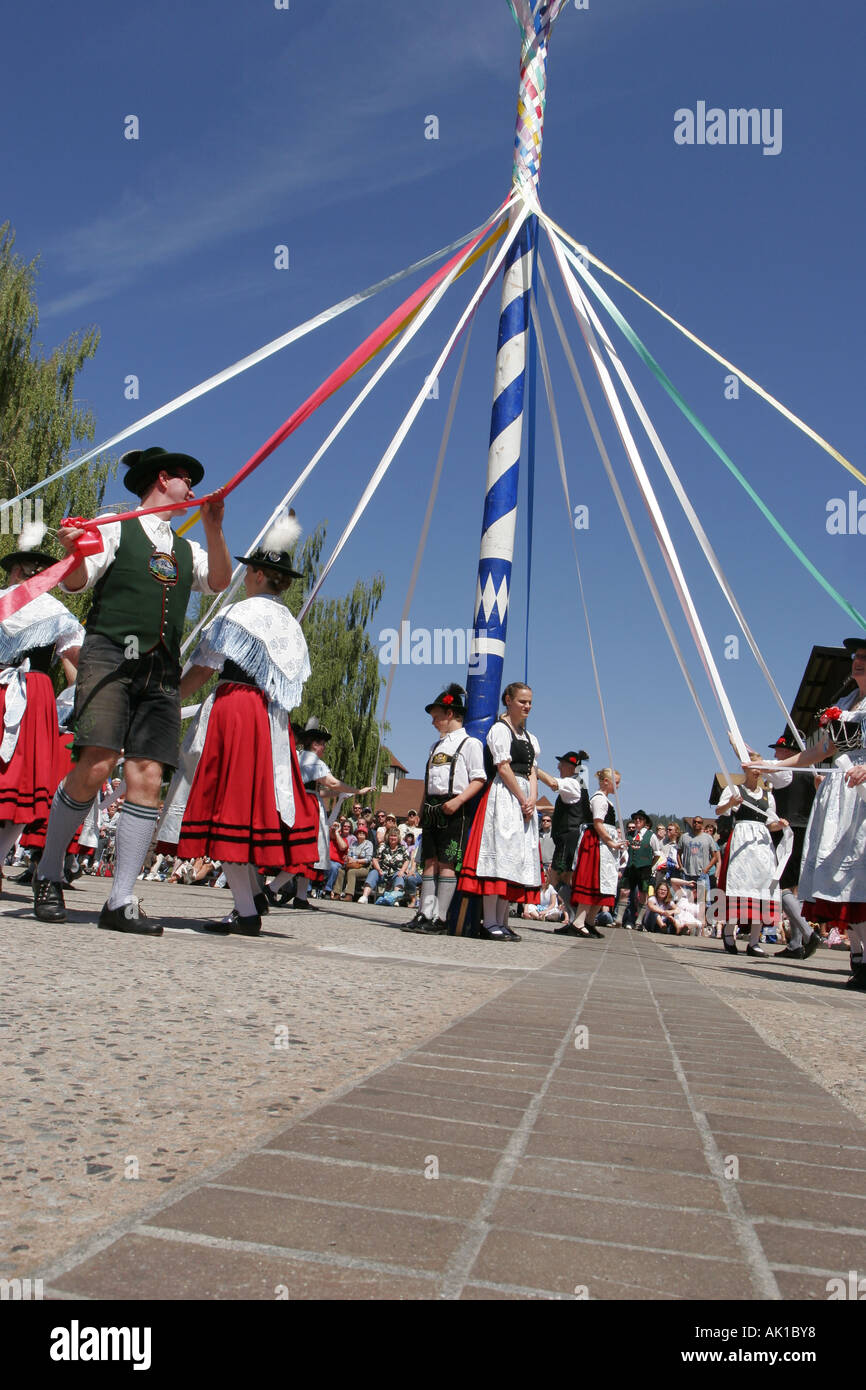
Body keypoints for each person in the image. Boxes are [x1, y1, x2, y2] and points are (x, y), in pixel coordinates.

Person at [32, 446, 232, 935]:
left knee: (147, 776)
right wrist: (73, 549)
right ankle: (48, 869)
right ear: (164, 479)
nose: (193, 488)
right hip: (109, 656)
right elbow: (78, 583)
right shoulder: (116, 525)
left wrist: (213, 524)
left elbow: (222, 580)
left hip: (160, 668)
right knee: (97, 763)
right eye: (188, 479)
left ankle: (120, 899)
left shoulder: (187, 548)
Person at [158, 517, 319, 934]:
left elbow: (204, 667)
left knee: (225, 805)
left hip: (234, 711)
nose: (244, 576)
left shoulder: (239, 613)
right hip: (270, 721)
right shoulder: (291, 626)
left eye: (249, 570)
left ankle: (247, 911)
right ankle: (250, 901)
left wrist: (170, 696)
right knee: (247, 810)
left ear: (260, 574)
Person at [766, 638, 866, 991]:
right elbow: (821, 750)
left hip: (863, 796)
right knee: (836, 879)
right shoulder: (843, 703)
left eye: (865, 658)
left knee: (859, 877)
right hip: (839, 796)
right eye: (856, 657)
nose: (858, 662)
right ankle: (859, 958)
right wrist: (770, 763)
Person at [0, 534, 84, 885]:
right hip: (35, 693)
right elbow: (79, 661)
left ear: (17, 571)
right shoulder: (57, 611)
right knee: (24, 782)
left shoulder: (2, 600)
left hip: (9, 688)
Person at [457, 682, 541, 942]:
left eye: (529, 702)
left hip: (524, 798)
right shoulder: (499, 730)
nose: (527, 706)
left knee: (515, 859)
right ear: (508, 700)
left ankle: (502, 921)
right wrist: (521, 797)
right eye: (522, 701)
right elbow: (503, 767)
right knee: (499, 857)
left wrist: (532, 799)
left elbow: (533, 771)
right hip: (505, 795)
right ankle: (489, 921)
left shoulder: (530, 737)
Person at [405, 683, 485, 935]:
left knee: (447, 862)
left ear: (450, 714)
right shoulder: (435, 746)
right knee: (428, 861)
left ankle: (440, 917)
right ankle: (424, 912)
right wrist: (420, 809)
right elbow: (429, 782)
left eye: (436, 717)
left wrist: (459, 801)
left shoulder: (470, 744)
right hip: (431, 806)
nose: (433, 722)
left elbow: (479, 779)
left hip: (454, 807)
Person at [277, 717, 373, 910]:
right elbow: (332, 782)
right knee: (308, 850)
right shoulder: (312, 760)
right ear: (313, 745)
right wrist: (357, 791)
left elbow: (320, 789)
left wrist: (339, 794)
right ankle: (273, 888)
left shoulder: (298, 757)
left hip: (301, 801)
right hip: (308, 808)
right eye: (321, 744)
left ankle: (301, 896)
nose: (324, 748)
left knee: (311, 851)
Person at [715, 767, 790, 957]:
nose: (757, 772)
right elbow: (719, 810)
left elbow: (769, 823)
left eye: (760, 768)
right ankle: (729, 931)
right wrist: (731, 803)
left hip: (762, 844)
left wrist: (779, 825)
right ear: (745, 769)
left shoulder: (768, 796)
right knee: (738, 884)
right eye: (754, 768)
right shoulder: (736, 790)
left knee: (763, 887)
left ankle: (754, 941)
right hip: (742, 839)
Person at [536, 749, 591, 929]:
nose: (558, 767)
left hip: (570, 837)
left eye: (562, 764)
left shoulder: (572, 784)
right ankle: (576, 919)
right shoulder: (578, 783)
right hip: (568, 837)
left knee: (559, 876)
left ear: (570, 767)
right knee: (563, 877)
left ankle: (576, 918)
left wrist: (533, 768)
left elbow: (552, 783)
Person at [570, 768, 625, 937]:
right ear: (606, 782)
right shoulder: (599, 800)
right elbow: (598, 823)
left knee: (602, 883)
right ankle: (579, 921)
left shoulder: (606, 801)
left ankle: (589, 920)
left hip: (603, 845)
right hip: (596, 844)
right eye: (616, 782)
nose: (618, 786)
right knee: (592, 881)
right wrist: (611, 842)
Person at [360, 827, 410, 905]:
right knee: (373, 873)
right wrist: (379, 869)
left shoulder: (402, 848)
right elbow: (375, 859)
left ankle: (395, 899)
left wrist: (402, 870)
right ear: (388, 837)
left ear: (398, 837)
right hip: (383, 871)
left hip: (396, 872)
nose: (393, 838)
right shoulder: (383, 846)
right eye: (391, 836)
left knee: (400, 876)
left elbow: (407, 860)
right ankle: (364, 896)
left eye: (395, 836)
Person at [623, 810, 655, 928]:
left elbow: (657, 853)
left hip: (644, 869)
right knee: (624, 892)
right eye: (635, 819)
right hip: (630, 867)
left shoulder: (651, 836)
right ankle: (619, 919)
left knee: (642, 894)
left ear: (645, 821)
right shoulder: (630, 835)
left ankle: (638, 921)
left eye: (640, 819)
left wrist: (650, 864)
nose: (637, 821)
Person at [332, 822, 374, 899]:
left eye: (363, 833)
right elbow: (349, 854)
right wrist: (348, 858)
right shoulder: (354, 843)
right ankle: (337, 893)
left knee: (352, 872)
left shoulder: (368, 844)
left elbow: (368, 859)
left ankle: (349, 895)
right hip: (352, 865)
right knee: (341, 870)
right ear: (357, 834)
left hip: (364, 867)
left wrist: (355, 860)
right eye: (359, 832)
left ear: (366, 835)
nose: (361, 833)